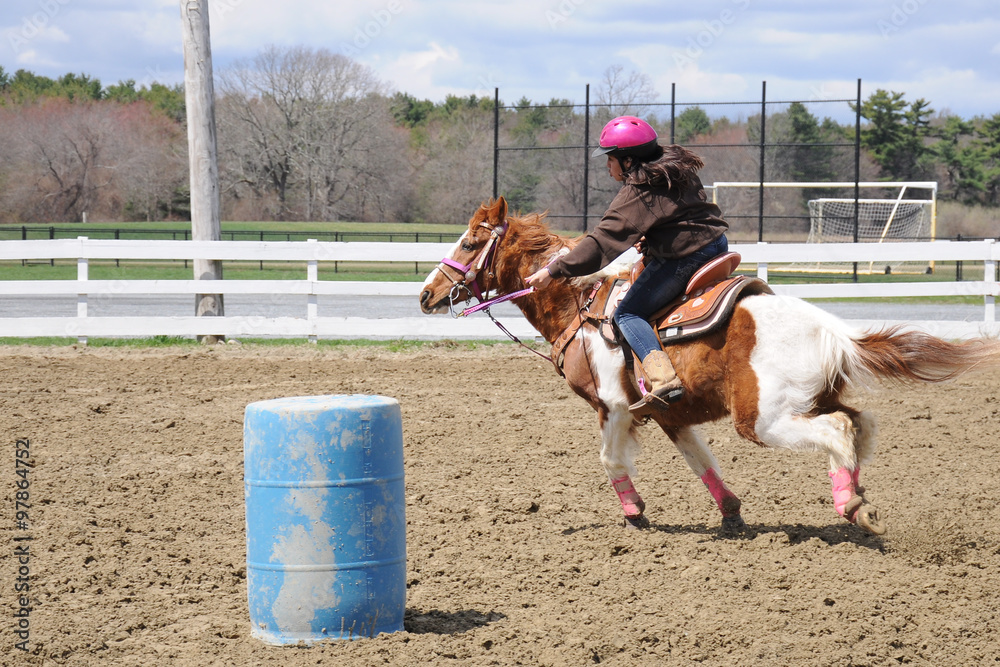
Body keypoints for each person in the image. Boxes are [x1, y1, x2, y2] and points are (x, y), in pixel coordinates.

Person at [525, 115, 729, 414]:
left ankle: (664, 379)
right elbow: (681, 215)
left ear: (629, 160)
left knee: (628, 313)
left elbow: (603, 241)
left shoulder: (641, 189)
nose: (608, 166)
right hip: (715, 244)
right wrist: (652, 239)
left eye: (611, 159)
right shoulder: (674, 169)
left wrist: (553, 270)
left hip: (687, 255)